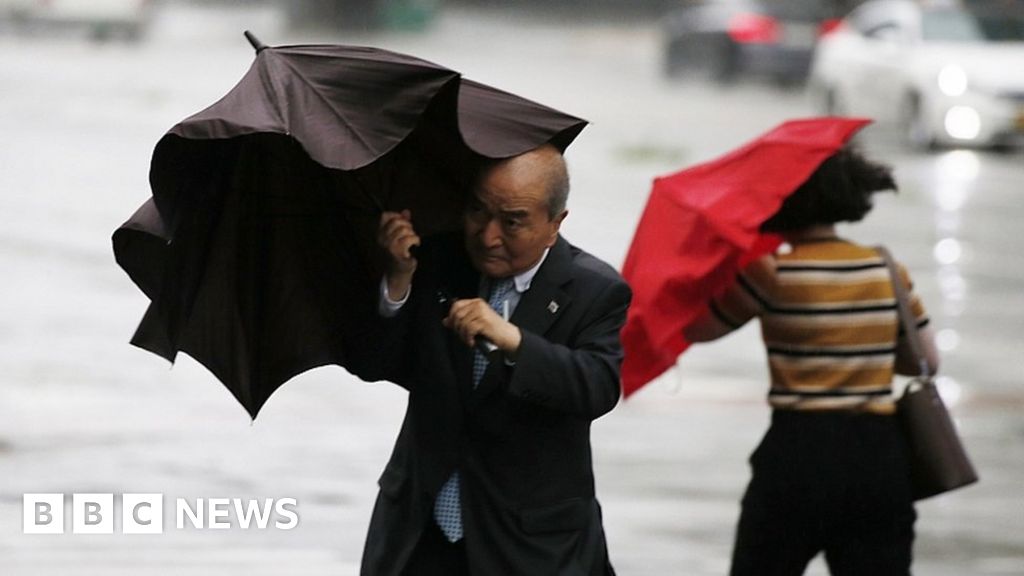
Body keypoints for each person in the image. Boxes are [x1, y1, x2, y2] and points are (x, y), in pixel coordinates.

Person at [351, 143, 630, 576]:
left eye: (513, 222)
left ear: (555, 224)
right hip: (419, 535)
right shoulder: (436, 260)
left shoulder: (594, 290)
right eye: (478, 211)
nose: (488, 236)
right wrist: (397, 281)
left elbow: (597, 386)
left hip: (529, 547)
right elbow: (374, 363)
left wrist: (515, 341)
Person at [684, 146, 940, 576]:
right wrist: (865, 353)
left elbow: (698, 330)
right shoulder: (886, 268)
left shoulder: (770, 273)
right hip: (878, 459)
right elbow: (926, 361)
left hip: (796, 455)